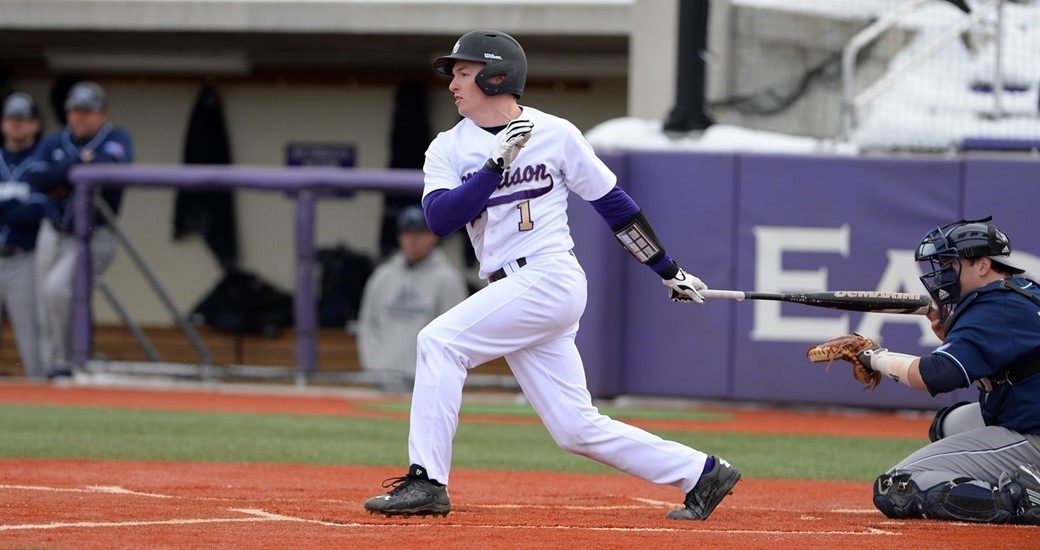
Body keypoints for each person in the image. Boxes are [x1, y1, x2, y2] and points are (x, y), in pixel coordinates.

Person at [363, 30, 740, 521]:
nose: (453, 83)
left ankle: (427, 480)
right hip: (511, 289)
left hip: (548, 276)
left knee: (440, 342)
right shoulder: (447, 148)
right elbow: (440, 219)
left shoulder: (555, 132)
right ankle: (702, 472)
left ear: (497, 77)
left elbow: (614, 206)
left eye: (463, 71)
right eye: (452, 73)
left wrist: (667, 269)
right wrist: (494, 167)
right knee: (575, 429)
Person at [837, 217, 1040, 525]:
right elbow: (1006, 359)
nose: (943, 272)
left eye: (951, 262)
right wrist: (949, 336)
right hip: (1026, 412)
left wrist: (874, 357)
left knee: (898, 485)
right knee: (946, 425)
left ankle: (1022, 498)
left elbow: (935, 375)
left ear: (983, 265)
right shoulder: (1020, 293)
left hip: (1032, 433)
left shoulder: (994, 306)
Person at [25, 81, 133, 378]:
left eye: (87, 111)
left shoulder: (117, 136)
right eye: (74, 111)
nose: (79, 117)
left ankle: (69, 363)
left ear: (102, 113)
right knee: (45, 300)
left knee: (59, 291)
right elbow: (37, 177)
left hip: (92, 235)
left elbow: (112, 165)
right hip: (53, 232)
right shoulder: (55, 141)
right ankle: (53, 368)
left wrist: (62, 174)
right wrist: (76, 163)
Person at [356, 204, 468, 392]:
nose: (413, 240)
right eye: (407, 233)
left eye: (420, 233)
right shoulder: (382, 276)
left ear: (433, 236)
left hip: (429, 384)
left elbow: (457, 335)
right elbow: (367, 325)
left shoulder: (448, 279)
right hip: (381, 379)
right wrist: (374, 368)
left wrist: (436, 373)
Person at [0, 92, 48, 379]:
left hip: (24, 259)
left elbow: (35, 214)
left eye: (23, 119)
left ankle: (43, 401)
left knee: (32, 341)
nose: (16, 125)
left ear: (35, 124)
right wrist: (15, 204)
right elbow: (22, 210)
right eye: (11, 119)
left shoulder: (43, 161)